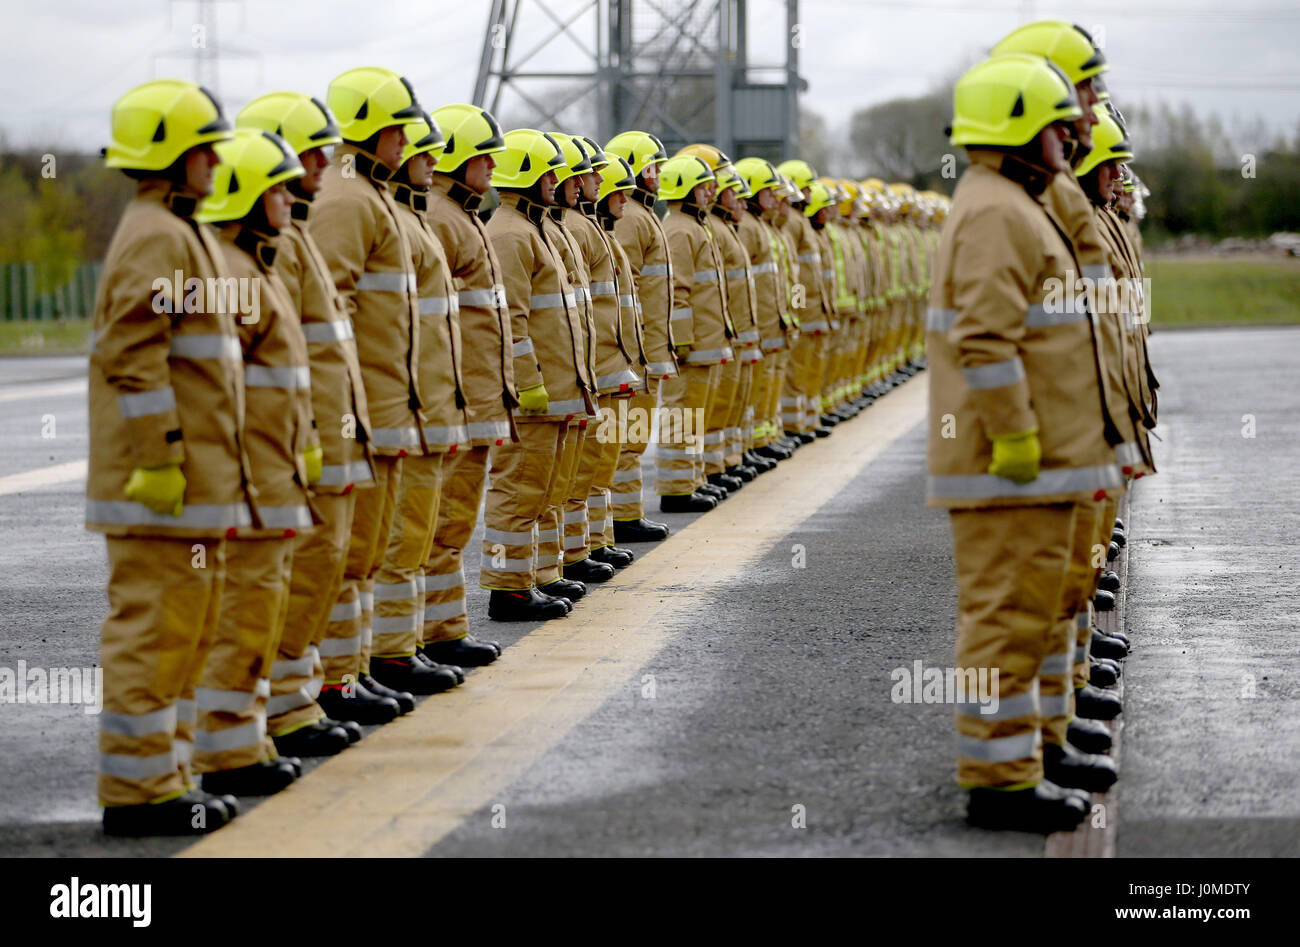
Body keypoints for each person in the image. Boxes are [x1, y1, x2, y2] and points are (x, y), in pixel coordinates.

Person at [928, 52, 1125, 832]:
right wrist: (1014, 439)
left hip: (1042, 465)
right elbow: (984, 338)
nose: (1074, 138)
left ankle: (1029, 751)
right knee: (1007, 618)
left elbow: (1090, 279)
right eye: (1061, 126)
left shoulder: (1020, 201)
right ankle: (998, 779)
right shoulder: (995, 212)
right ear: (1017, 128)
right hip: (1009, 467)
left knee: (1036, 615)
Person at [91, 78, 247, 835]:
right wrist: (159, 457)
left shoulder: (177, 229)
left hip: (186, 483)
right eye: (205, 148)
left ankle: (165, 775)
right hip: (159, 484)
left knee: (185, 630)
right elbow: (131, 351)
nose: (217, 159)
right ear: (172, 156)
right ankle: (137, 791)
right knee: (155, 629)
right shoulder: (156, 233)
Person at [237, 91, 369, 757]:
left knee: (325, 564)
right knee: (298, 570)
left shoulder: (296, 233)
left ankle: (298, 698)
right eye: (310, 151)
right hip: (303, 441)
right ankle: (283, 709)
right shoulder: (273, 245)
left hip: (329, 433)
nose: (323, 162)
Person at [193, 128, 319, 797]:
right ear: (245, 197)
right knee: (243, 607)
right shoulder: (237, 276)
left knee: (260, 606)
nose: (289, 195)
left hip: (270, 471)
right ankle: (227, 752)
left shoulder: (257, 265)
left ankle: (246, 740)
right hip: (250, 477)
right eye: (276, 187)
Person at [311, 66, 427, 722]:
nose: (406, 142)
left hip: (386, 405)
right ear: (371, 131)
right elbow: (332, 313)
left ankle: (349, 674)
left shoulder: (370, 193)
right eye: (397, 130)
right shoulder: (351, 198)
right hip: (365, 409)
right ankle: (332, 682)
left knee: (367, 552)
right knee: (349, 553)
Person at [368, 109, 479, 695]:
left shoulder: (414, 214)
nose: (430, 161)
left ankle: (421, 639)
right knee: (398, 535)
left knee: (427, 527)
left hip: (426, 402)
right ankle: (387, 654)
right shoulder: (402, 212)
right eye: (419, 150)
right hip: (395, 408)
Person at [481, 129, 596, 620]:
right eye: (551, 171)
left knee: (543, 491)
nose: (558, 180)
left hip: (558, 390)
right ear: (526, 175)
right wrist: (527, 380)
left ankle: (537, 576)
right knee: (519, 490)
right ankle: (507, 590)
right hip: (538, 392)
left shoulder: (535, 227)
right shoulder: (510, 232)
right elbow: (512, 320)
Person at [420, 103, 515, 663]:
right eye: (483, 158)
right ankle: (428, 637)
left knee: (454, 521)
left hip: (477, 395)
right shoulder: (443, 218)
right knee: (438, 521)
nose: (491, 169)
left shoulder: (467, 218)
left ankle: (445, 630)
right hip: (456, 397)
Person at [604, 130, 678, 535]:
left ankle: (627, 515)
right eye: (654, 166)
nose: (659, 174)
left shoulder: (639, 213)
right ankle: (623, 518)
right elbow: (623, 288)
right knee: (626, 436)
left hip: (645, 345)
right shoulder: (632, 216)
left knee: (633, 434)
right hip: (636, 348)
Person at [657, 155, 734, 510]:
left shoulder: (693, 225)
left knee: (695, 415)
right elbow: (678, 288)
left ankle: (691, 479)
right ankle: (676, 489)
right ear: (687, 189)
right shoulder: (679, 228)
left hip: (705, 342)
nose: (711, 192)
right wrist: (682, 337)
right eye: (704, 187)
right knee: (681, 412)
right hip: (692, 345)